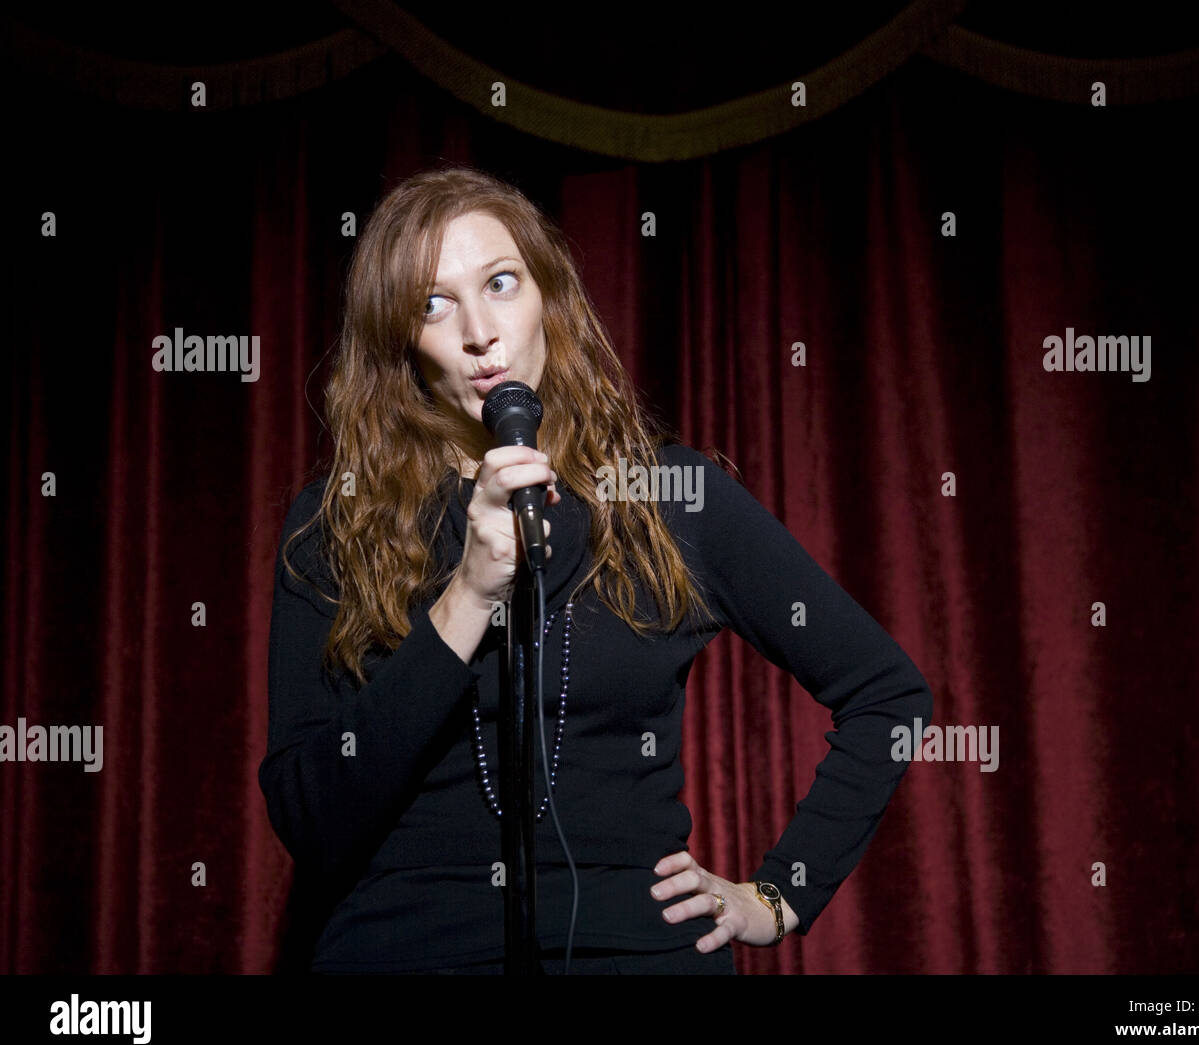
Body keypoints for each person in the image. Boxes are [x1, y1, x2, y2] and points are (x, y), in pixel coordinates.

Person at [259, 165, 933, 975]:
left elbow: (888, 694)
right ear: (396, 338)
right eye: (433, 303)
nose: (480, 331)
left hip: (637, 953)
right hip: (409, 952)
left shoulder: (669, 499)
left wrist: (779, 894)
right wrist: (467, 597)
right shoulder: (336, 525)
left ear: (550, 298)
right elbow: (308, 816)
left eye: (501, 283)